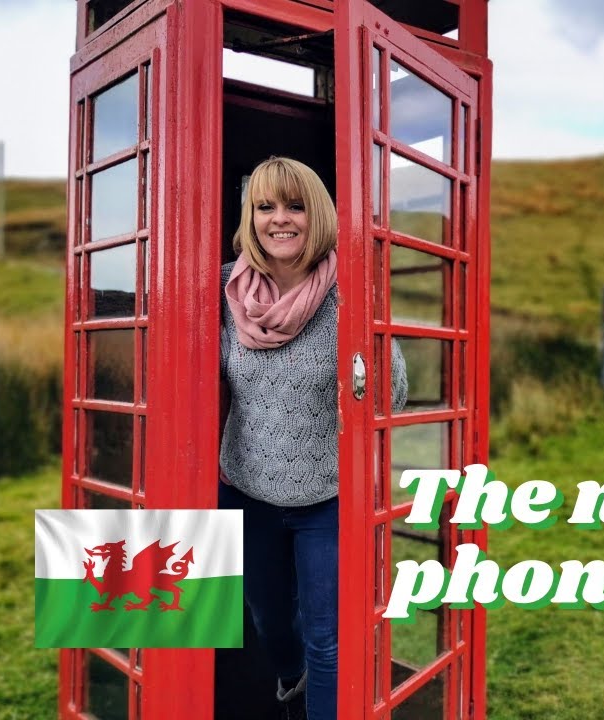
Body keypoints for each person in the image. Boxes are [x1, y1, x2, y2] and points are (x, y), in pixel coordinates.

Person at [218, 156, 407, 720]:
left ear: (317, 215)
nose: (280, 219)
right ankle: (287, 675)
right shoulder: (223, 292)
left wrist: (375, 326)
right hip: (246, 490)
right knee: (269, 618)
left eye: (295, 206)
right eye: (265, 206)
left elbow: (390, 396)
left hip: (326, 497)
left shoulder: (346, 292)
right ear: (250, 217)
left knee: (329, 638)